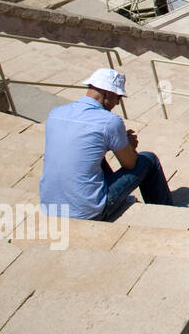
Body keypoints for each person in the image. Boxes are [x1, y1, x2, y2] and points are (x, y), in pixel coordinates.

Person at [40, 69, 175, 221]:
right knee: (148, 159)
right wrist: (130, 146)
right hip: (88, 211)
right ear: (108, 93)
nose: (118, 102)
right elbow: (130, 164)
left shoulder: (56, 113)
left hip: (49, 204)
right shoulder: (109, 121)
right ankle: (167, 213)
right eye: (118, 97)